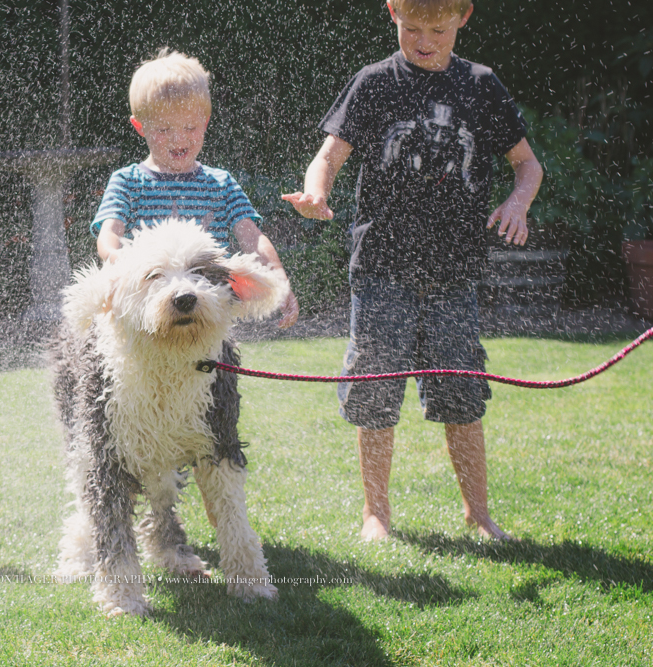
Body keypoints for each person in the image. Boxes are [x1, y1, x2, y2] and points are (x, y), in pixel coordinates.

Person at [283, 0, 543, 540]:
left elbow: (527, 164)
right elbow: (329, 156)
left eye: (439, 29)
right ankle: (375, 514)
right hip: (382, 267)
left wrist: (518, 203)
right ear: (393, 12)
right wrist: (316, 190)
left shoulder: (481, 85)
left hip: (454, 274)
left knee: (462, 394)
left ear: (464, 18)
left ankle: (478, 513)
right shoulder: (375, 83)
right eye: (414, 27)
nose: (426, 40)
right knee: (375, 391)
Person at [93, 48, 299, 328]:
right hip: (148, 320)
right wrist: (121, 259)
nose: (179, 139)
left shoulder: (221, 184)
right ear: (140, 127)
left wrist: (278, 279)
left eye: (190, 127)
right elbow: (107, 238)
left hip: (207, 316)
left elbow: (253, 238)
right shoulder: (128, 182)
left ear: (205, 122)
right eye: (164, 130)